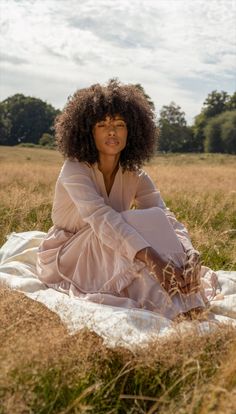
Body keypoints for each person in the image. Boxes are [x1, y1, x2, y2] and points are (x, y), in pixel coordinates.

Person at [36, 79, 209, 320]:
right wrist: (153, 259)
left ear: (132, 130)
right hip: (69, 253)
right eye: (102, 124)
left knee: (153, 219)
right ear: (87, 130)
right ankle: (174, 307)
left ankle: (188, 294)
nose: (112, 131)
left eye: (119, 124)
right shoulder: (74, 169)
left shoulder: (134, 172)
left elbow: (164, 215)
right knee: (133, 229)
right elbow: (102, 219)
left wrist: (189, 251)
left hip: (113, 245)